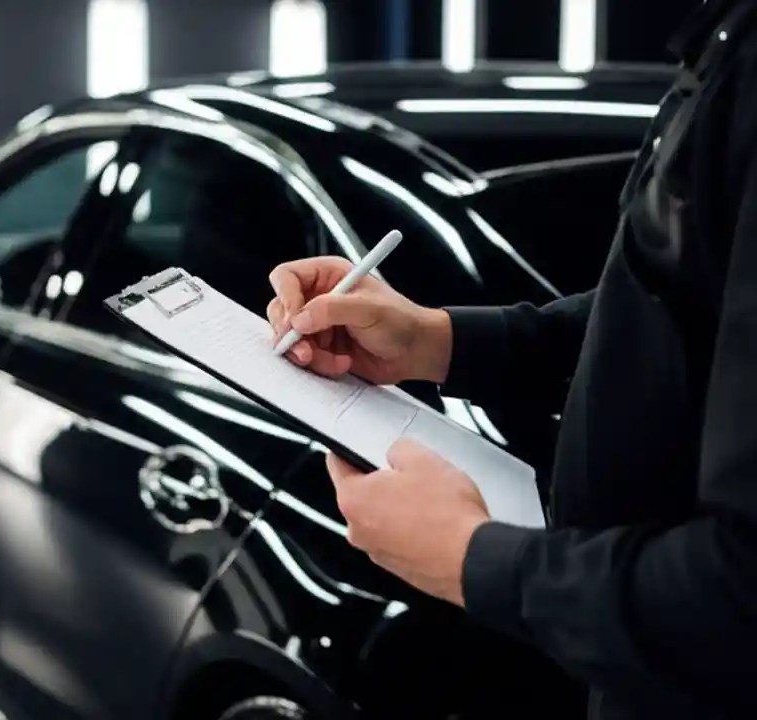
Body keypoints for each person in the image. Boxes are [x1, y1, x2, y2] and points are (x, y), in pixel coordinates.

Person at [265, 2, 757, 718]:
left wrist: (474, 559)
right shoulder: (731, 39)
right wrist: (437, 339)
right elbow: (669, 319)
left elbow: (741, 593)